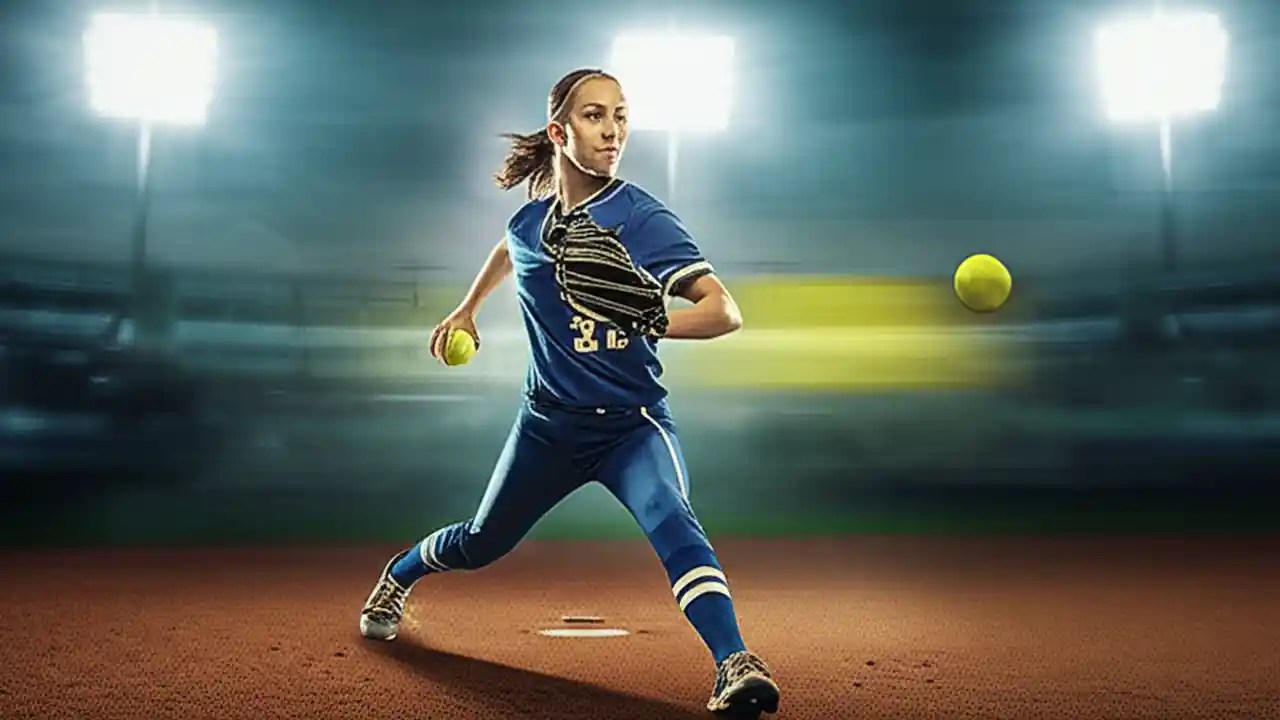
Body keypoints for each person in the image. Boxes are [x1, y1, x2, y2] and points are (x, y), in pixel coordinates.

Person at [358, 67, 780, 718]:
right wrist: (467, 308)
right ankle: (399, 575)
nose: (613, 130)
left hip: (632, 426)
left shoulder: (640, 218)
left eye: (620, 115)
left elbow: (725, 312)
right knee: (480, 542)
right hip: (548, 429)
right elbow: (512, 244)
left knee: (673, 520)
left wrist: (652, 317)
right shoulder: (530, 223)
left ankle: (735, 662)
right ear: (559, 131)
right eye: (594, 115)